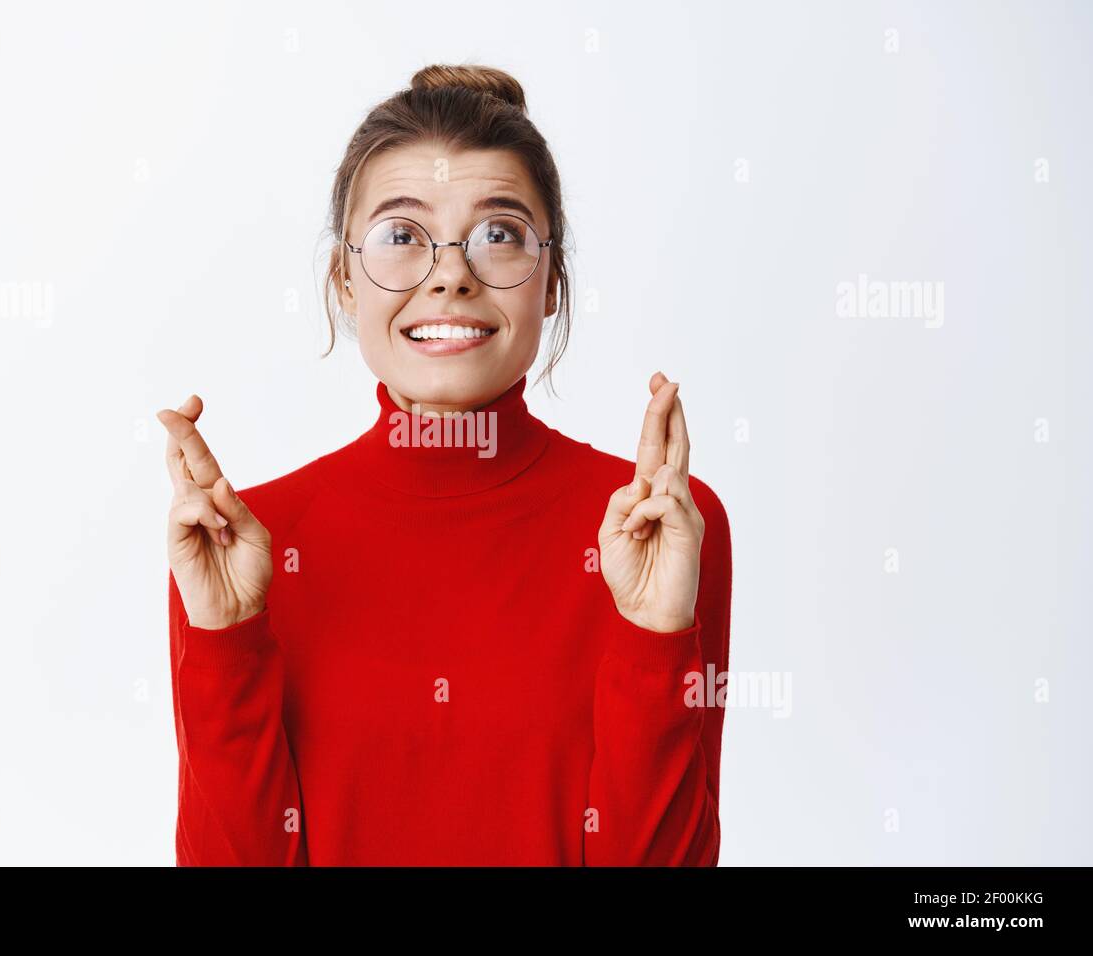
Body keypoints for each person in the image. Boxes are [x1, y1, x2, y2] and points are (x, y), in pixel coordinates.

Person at [157, 63, 732, 866]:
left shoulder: (654, 525)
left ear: (554, 282)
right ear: (344, 283)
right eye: (402, 236)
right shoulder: (245, 544)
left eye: (499, 233)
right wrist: (226, 641)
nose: (451, 273)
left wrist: (655, 634)